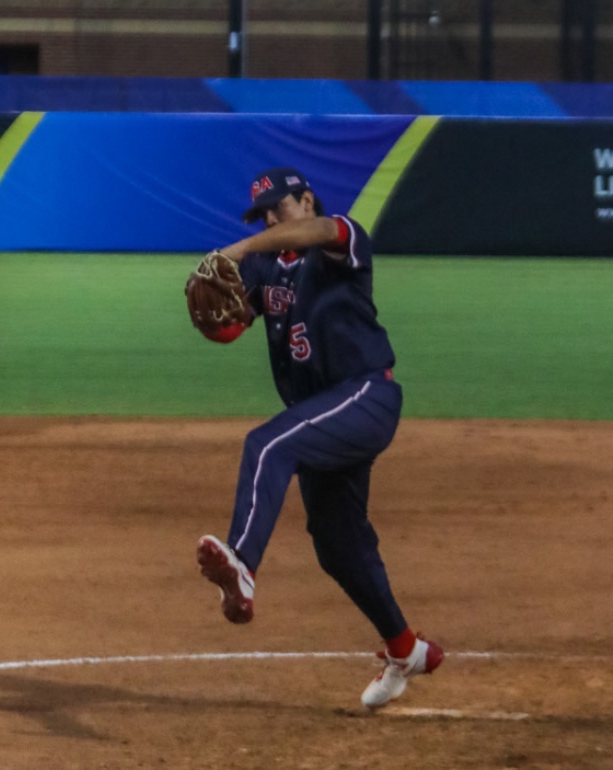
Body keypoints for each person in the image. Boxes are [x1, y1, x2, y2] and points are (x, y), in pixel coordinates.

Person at [193, 167, 442, 709]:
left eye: (277, 209)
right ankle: (406, 650)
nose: (269, 221)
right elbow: (232, 326)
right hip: (321, 415)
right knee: (337, 544)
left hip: (367, 396)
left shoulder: (341, 237)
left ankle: (242, 568)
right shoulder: (263, 266)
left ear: (306, 201)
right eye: (260, 215)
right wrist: (209, 316)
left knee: (268, 445)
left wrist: (235, 247)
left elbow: (312, 234)